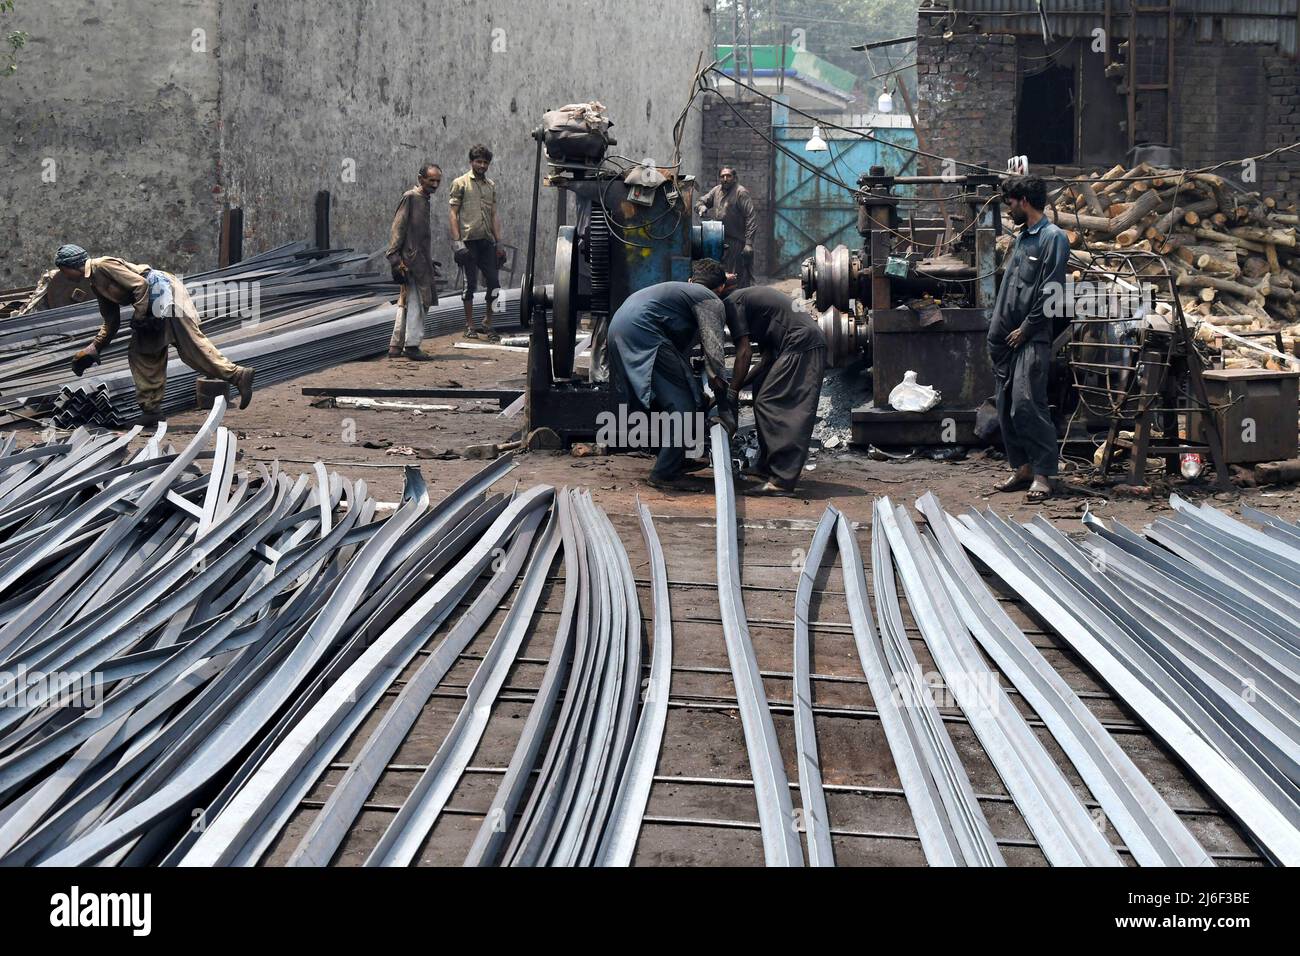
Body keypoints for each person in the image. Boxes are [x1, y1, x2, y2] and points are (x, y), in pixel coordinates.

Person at [60, 245, 253, 426]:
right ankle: (151, 411)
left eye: (62, 270)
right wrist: (94, 348)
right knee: (142, 354)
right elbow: (112, 321)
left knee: (192, 348)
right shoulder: (95, 283)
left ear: (70, 265)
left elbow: (140, 284)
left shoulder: (102, 265)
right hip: (150, 305)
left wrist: (141, 315)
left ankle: (238, 375)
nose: (63, 276)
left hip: (164, 296)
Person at [607, 259, 733, 491]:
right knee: (685, 404)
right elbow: (714, 349)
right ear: (721, 289)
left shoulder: (683, 289)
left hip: (618, 328)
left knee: (665, 399)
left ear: (692, 280)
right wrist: (721, 387)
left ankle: (675, 458)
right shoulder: (711, 300)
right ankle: (664, 473)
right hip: (643, 333)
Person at [987, 175, 1070, 503]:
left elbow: (1052, 291)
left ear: (1023, 200)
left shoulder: (1053, 238)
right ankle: (1021, 467)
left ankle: (1043, 473)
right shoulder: (1022, 239)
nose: (1008, 209)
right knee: (1006, 405)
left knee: (1027, 403)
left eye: (1009, 202)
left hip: (1030, 337)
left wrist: (1027, 328)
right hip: (1006, 340)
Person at [724, 285, 827, 495]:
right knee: (760, 392)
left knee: (772, 402)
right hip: (800, 341)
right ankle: (766, 465)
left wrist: (732, 392)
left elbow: (744, 353)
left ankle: (782, 479)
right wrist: (738, 385)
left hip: (801, 342)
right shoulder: (751, 303)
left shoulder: (732, 304)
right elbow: (766, 359)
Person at [449, 144, 506, 342]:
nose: (482, 165)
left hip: (487, 241)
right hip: (468, 242)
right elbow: (453, 214)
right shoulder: (460, 183)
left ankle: (488, 323)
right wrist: (458, 243)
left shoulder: (491, 185)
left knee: (495, 284)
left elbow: (494, 214)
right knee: (469, 284)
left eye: (485, 162)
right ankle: (469, 325)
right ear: (471, 162)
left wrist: (499, 243)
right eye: (478, 161)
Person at [386, 163, 443, 361]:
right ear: (421, 179)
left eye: (438, 181)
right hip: (411, 261)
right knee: (418, 302)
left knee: (407, 302)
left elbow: (418, 235)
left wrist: (429, 260)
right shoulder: (410, 197)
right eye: (431, 180)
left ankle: (396, 345)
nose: (435, 185)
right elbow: (398, 228)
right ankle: (411, 346)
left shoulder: (424, 199)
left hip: (419, 260)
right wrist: (394, 258)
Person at [696, 166, 757, 288]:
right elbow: (701, 201)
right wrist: (701, 207)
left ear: (734, 178)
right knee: (720, 275)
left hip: (737, 242)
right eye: (722, 176)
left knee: (737, 277)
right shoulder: (716, 190)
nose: (725, 179)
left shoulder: (740, 192)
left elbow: (751, 216)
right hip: (718, 240)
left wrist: (749, 243)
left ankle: (741, 301)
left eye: (728, 176)